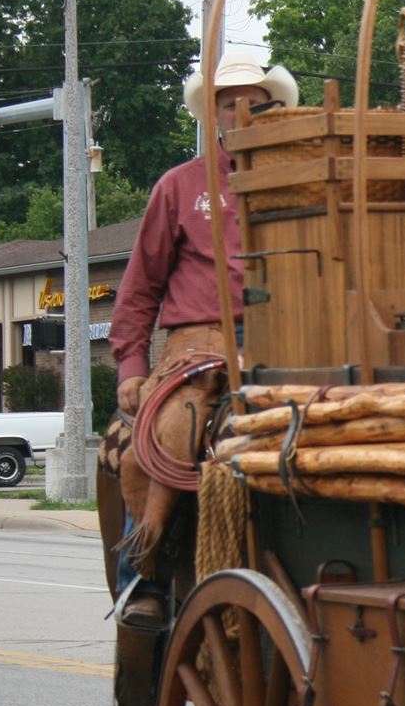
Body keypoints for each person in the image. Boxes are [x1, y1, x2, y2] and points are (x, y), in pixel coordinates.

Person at [109, 55, 294, 629]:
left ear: (273, 107)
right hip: (199, 346)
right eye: (227, 101)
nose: (241, 111)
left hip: (290, 339)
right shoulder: (179, 187)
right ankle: (145, 579)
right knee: (165, 437)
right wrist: (131, 368)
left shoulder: (300, 178)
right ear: (211, 113)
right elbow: (140, 290)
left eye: (254, 101)